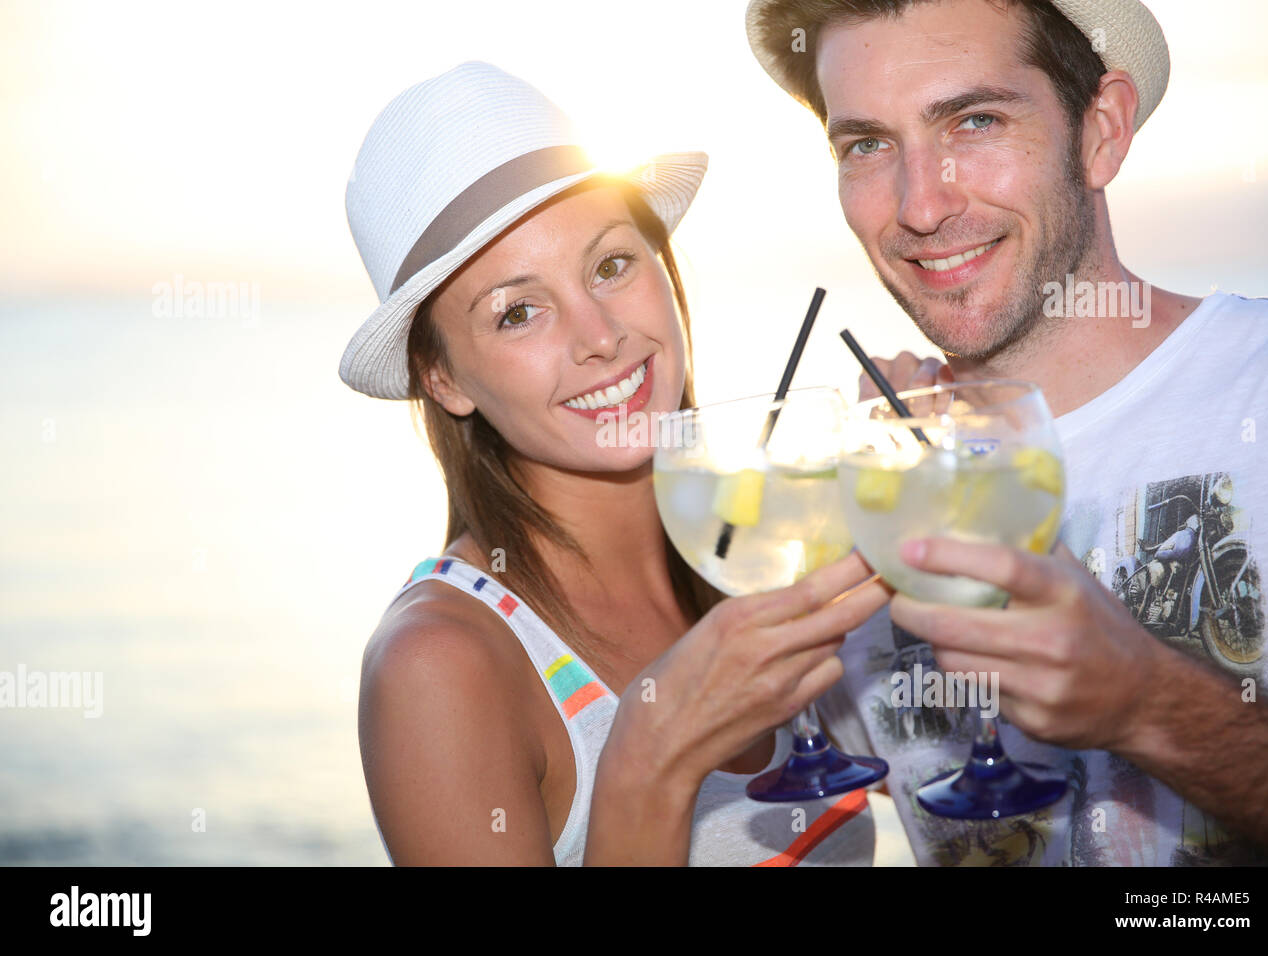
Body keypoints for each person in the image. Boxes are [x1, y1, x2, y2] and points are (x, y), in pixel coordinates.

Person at [746, 0, 1268, 865]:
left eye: (974, 120)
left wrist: (1152, 704)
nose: (920, 206)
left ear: (1101, 131)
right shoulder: (855, 503)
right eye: (868, 145)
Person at [340, 61, 889, 865]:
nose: (598, 335)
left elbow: (977, 778)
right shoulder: (441, 667)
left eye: (610, 265)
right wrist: (646, 762)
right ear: (444, 378)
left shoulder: (757, 545)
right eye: (518, 312)